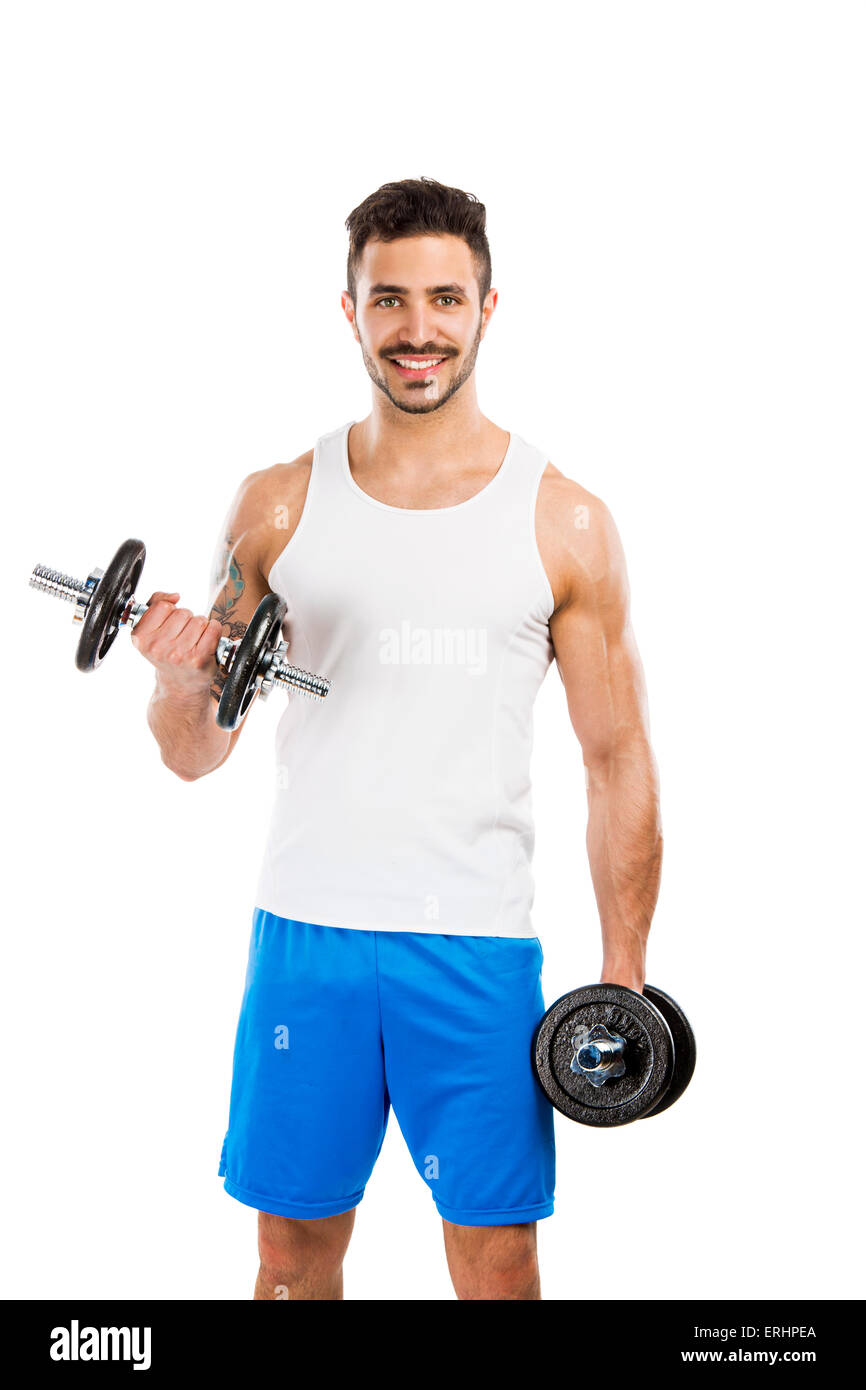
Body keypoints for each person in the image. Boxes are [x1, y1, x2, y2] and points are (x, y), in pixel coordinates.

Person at [135, 177, 662, 1301]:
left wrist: (623, 972)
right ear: (349, 310)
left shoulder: (561, 519)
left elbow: (615, 759)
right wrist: (184, 678)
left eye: (442, 300)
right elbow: (195, 749)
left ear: (484, 306)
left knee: (497, 1260)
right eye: (388, 301)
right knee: (288, 1256)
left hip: (472, 948)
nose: (416, 330)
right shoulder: (276, 505)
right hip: (306, 936)